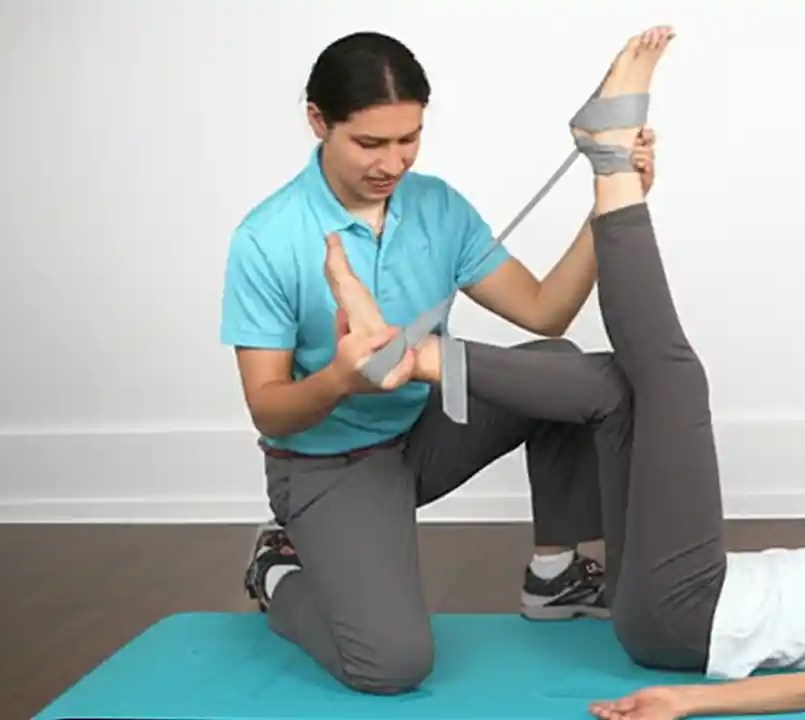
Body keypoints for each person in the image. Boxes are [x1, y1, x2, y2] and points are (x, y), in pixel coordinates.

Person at [326, 26, 805, 718]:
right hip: (680, 591)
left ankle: (603, 169)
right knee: (614, 394)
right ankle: (549, 566)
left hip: (690, 614)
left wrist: (692, 704)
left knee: (674, 379)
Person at [220, 30, 659, 694]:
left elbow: (545, 312)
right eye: (370, 143)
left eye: (409, 140)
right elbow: (268, 406)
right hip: (328, 464)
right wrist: (341, 377)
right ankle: (278, 572)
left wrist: (613, 199)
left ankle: (554, 576)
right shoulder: (267, 239)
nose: (392, 163)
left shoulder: (436, 206)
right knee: (391, 665)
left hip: (425, 428)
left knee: (561, 371)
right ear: (318, 121)